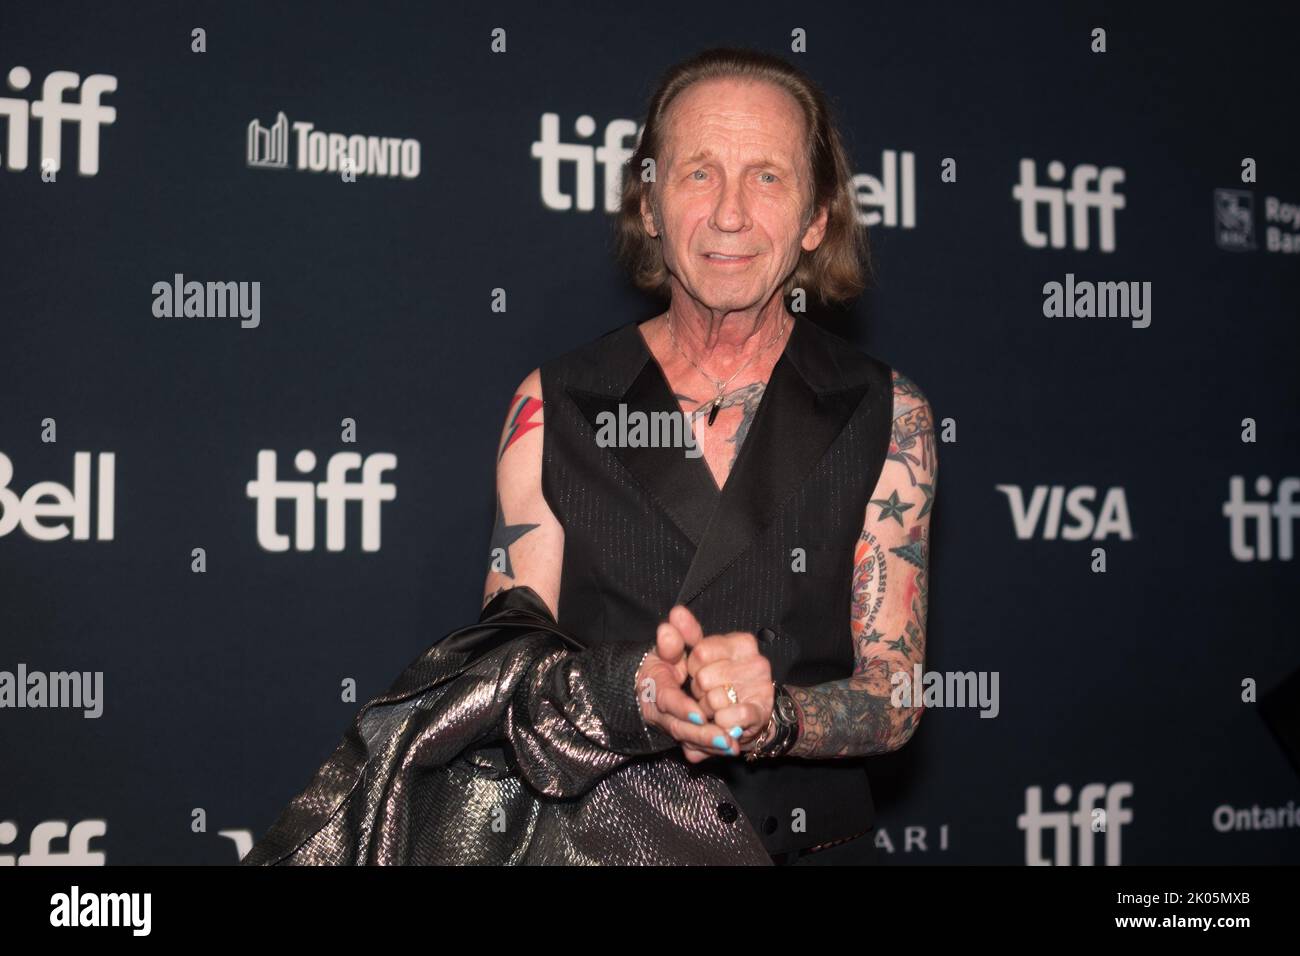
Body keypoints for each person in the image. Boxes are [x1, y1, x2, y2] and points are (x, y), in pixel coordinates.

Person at [485, 46, 937, 865]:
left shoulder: (887, 412)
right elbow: (504, 683)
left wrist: (777, 718)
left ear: (816, 218)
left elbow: (897, 697)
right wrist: (636, 691)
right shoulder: (552, 404)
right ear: (650, 204)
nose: (730, 213)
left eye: (767, 176)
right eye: (699, 173)